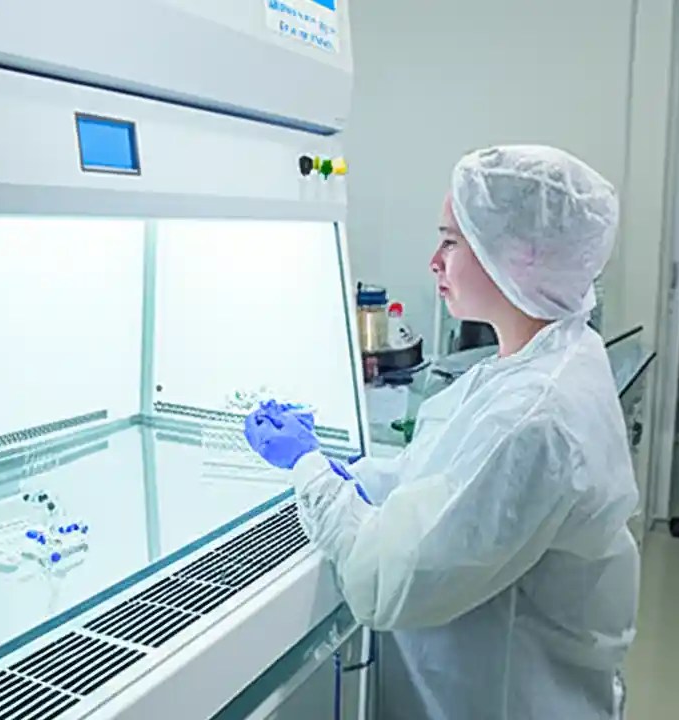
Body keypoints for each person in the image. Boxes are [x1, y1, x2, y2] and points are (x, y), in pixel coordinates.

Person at [245, 146, 639, 719]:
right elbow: (440, 480)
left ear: (521, 255)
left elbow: (388, 579)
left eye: (451, 241)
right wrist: (343, 471)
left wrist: (307, 468)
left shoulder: (532, 417)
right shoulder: (546, 358)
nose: (434, 261)